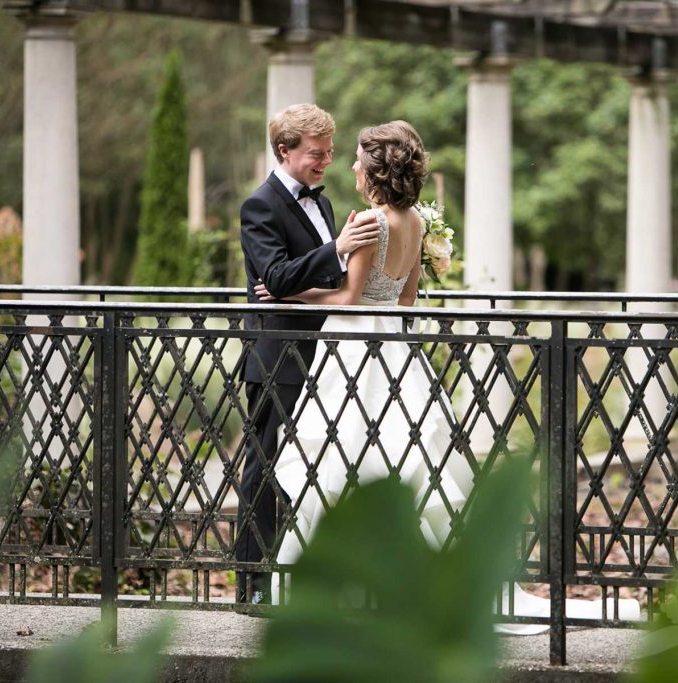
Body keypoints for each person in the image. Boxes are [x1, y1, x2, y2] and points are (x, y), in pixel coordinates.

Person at [256, 120, 640, 631]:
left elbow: (349, 297)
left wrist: (288, 293)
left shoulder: (371, 222)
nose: (349, 165)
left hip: (353, 345)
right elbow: (407, 299)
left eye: (355, 159)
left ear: (373, 170)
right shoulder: (414, 221)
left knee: (345, 456)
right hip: (394, 346)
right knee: (404, 455)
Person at [236, 103, 381, 606]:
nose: (326, 162)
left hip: (326, 354)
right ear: (285, 151)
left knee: (318, 465)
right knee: (265, 466)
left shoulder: (322, 204)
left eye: (330, 153)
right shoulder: (260, 206)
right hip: (278, 356)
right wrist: (336, 249)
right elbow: (273, 276)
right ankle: (253, 582)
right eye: (316, 155)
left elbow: (320, 279)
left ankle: (305, 577)